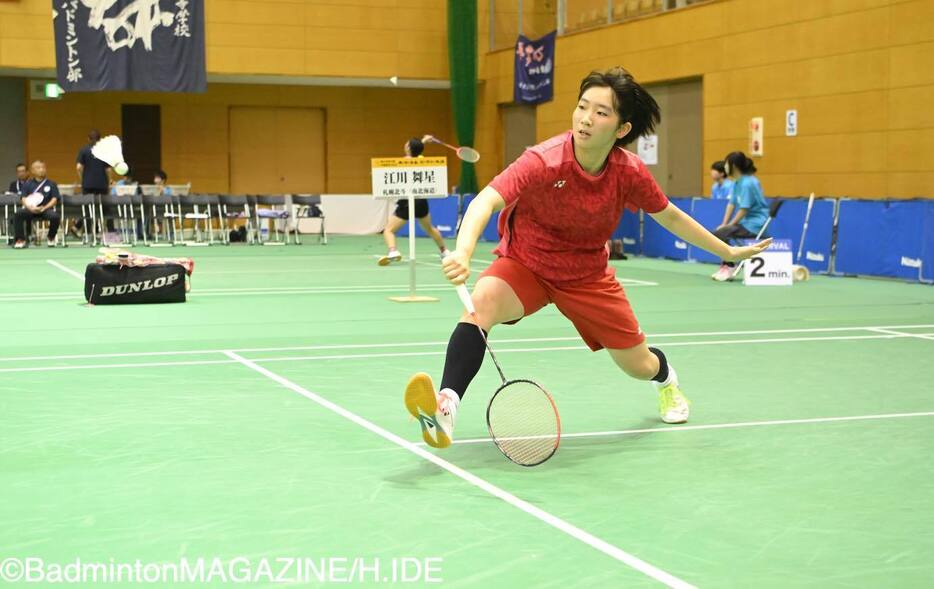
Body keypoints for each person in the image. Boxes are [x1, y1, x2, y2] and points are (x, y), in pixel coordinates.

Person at [402, 67, 771, 448]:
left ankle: (667, 380)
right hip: (527, 263)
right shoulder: (543, 160)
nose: (585, 118)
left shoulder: (628, 173)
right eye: (582, 107)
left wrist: (726, 251)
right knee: (482, 304)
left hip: (587, 276)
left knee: (637, 365)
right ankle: (446, 407)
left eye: (601, 112)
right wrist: (462, 251)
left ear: (621, 129)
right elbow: (487, 199)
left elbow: (670, 216)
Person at [378, 136, 451, 265]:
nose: (405, 144)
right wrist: (423, 141)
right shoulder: (421, 160)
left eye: (407, 144)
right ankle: (444, 251)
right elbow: (417, 151)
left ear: (408, 148)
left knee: (388, 230)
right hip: (421, 201)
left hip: (408, 202)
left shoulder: (403, 162)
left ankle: (393, 251)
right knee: (429, 228)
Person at [710, 151, 770, 282]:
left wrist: (730, 225)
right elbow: (731, 204)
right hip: (745, 222)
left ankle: (730, 266)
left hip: (755, 224)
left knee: (721, 233)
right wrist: (724, 224)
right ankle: (726, 265)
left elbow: (744, 209)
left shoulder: (748, 183)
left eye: (726, 164)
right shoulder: (737, 182)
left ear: (734, 166)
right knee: (720, 232)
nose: (725, 167)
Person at [12, 160, 61, 249]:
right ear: (32, 171)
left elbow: (54, 199)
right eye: (38, 168)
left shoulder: (51, 184)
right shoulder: (28, 184)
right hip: (30, 209)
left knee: (55, 216)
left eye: (43, 167)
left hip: (45, 209)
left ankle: (51, 237)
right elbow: (23, 198)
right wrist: (30, 208)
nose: (41, 170)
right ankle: (20, 240)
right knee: (18, 214)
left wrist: (44, 208)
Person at [76, 130, 112, 232]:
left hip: (87, 184)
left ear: (88, 139)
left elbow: (78, 167)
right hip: (102, 184)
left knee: (88, 208)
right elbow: (108, 169)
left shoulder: (83, 150)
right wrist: (109, 181)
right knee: (106, 209)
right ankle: (111, 235)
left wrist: (82, 178)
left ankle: (89, 234)